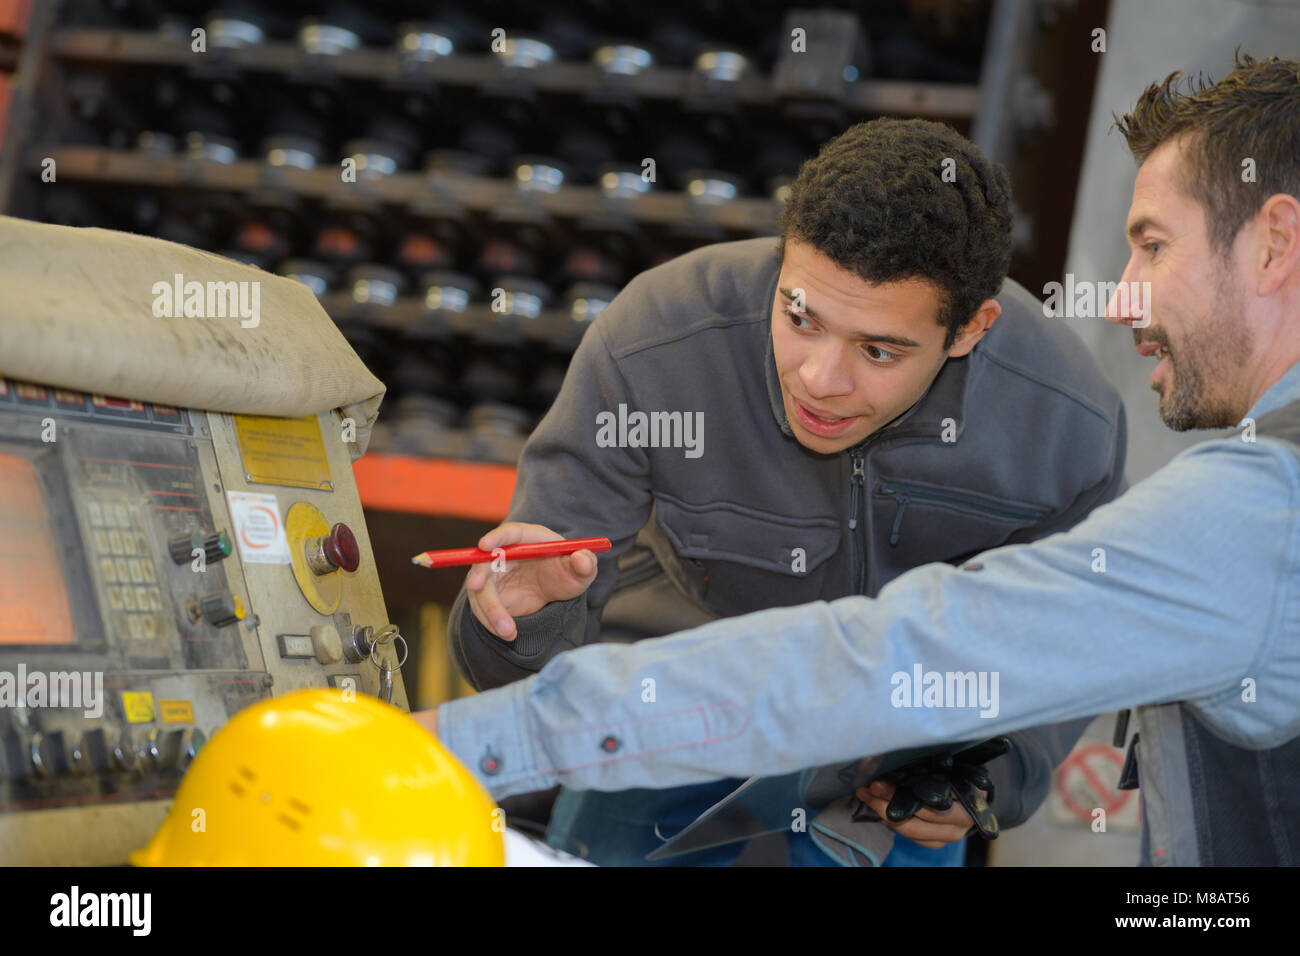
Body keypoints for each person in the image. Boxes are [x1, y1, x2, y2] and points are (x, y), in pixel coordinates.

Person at [419, 53, 1300, 866]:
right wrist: (518, 623)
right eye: (800, 317)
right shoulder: (656, 344)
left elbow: (999, 656)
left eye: (1153, 244)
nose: (822, 378)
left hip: (890, 776)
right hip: (665, 725)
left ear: (968, 331)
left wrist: (998, 774)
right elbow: (519, 631)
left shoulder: (1126, 452)